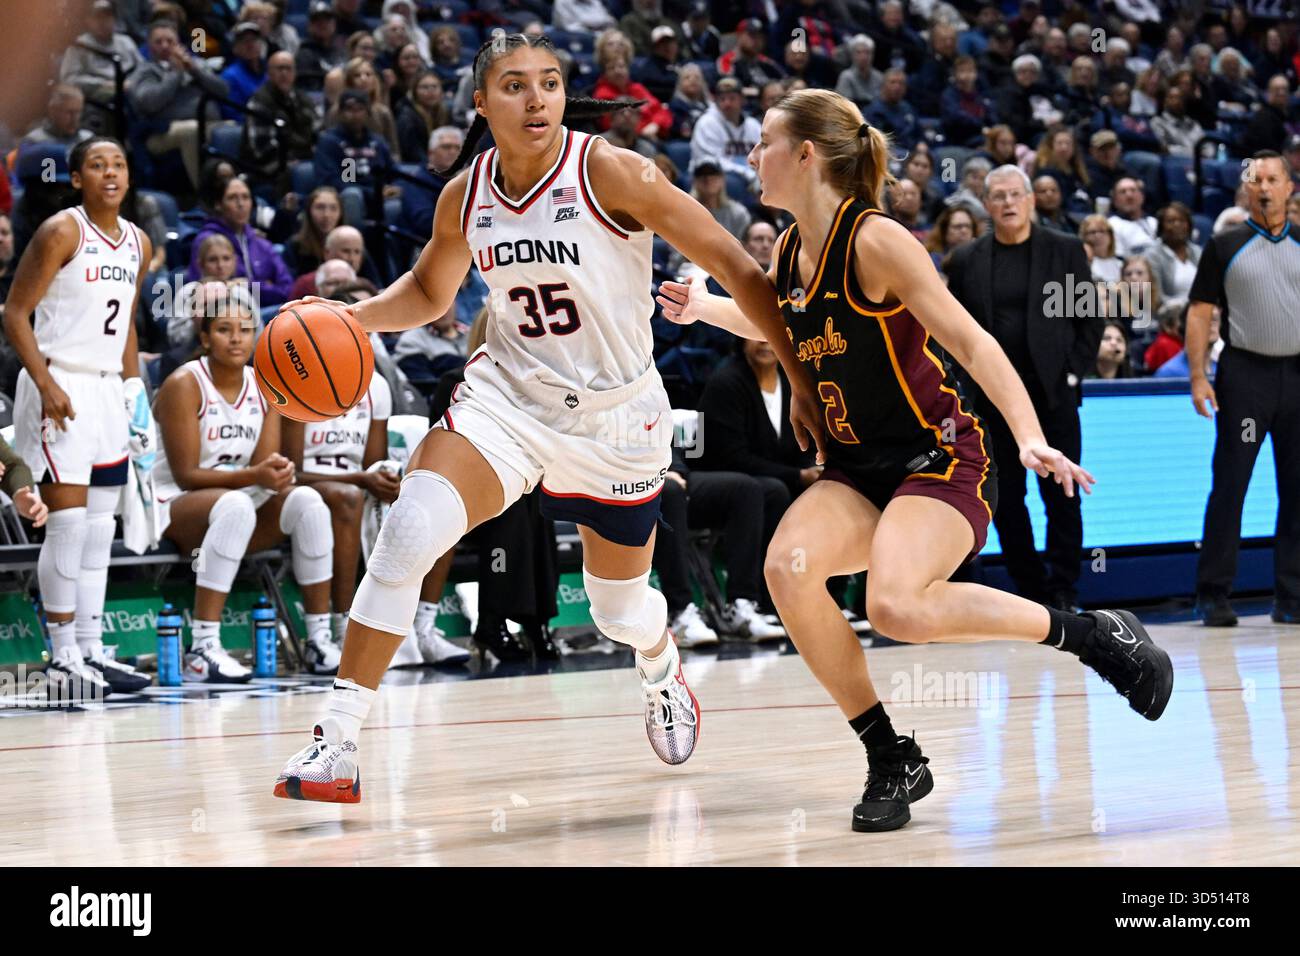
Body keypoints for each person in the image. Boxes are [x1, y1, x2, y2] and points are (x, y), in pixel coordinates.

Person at [271, 34, 826, 801]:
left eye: (551, 82)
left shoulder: (612, 171)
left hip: (615, 419)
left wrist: (798, 374)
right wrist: (350, 317)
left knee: (617, 610)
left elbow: (737, 265)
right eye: (514, 85)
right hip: (508, 400)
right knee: (409, 529)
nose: (536, 98)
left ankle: (660, 665)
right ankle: (336, 742)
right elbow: (430, 292)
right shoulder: (465, 196)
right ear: (481, 102)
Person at [659, 92, 1172, 833]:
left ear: (806, 154)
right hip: (858, 468)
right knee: (788, 570)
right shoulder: (790, 250)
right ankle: (890, 753)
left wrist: (1027, 434)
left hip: (941, 457)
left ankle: (1092, 633)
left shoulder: (876, 241)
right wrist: (704, 308)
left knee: (894, 607)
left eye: (764, 141)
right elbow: (780, 324)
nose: (751, 155)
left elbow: (972, 342)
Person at [2, 137, 155, 698]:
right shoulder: (61, 231)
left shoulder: (139, 241)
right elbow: (14, 313)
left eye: (118, 164)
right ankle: (62, 658)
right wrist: (46, 384)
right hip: (60, 380)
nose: (110, 173)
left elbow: (127, 325)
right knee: (66, 527)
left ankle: (91, 649)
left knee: (98, 529)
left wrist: (135, 391)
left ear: (129, 177)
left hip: (108, 389)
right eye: (97, 165)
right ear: (76, 178)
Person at [152, 306, 342, 678]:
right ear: (205, 338)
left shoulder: (265, 385)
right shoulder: (184, 383)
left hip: (234, 501)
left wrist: (275, 473)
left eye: (244, 329)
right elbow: (186, 475)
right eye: (224, 329)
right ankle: (202, 647)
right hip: (172, 503)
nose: (236, 338)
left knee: (308, 503)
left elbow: (262, 466)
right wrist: (256, 475)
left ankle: (318, 640)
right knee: (236, 505)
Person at [947, 165, 1103, 613]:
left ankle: (1064, 588)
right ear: (986, 205)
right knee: (1006, 499)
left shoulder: (1064, 249)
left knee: (1062, 494)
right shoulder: (968, 259)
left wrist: (1072, 373)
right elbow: (953, 330)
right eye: (998, 196)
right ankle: (1031, 589)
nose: (1008, 203)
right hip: (992, 400)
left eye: (1016, 194)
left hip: (1052, 395)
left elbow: (1090, 321)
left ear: (1031, 200)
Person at [1187, 151, 1300, 628]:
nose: (1265, 187)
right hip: (1245, 376)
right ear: (1246, 191)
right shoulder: (1225, 244)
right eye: (1257, 181)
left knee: (1297, 491)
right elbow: (1199, 311)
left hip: (1297, 376)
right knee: (1231, 485)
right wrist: (1198, 376)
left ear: (1290, 187)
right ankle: (1213, 594)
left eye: (1273, 179)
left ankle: (1291, 597)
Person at [126, 19, 230, 190]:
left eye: (170, 41)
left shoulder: (195, 64)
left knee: (231, 130)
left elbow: (223, 91)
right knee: (192, 131)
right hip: (160, 132)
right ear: (149, 46)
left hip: (208, 123)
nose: (165, 46)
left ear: (178, 43)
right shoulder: (145, 70)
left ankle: (230, 188)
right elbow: (149, 104)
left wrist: (194, 70)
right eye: (158, 42)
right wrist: (176, 74)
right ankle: (204, 193)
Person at [185, 176, 294, 304]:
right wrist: (266, 285)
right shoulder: (206, 241)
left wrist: (247, 285)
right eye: (232, 198)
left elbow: (287, 290)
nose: (241, 204)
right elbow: (202, 292)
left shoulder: (261, 243)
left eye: (245, 197)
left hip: (271, 310)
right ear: (218, 204)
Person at [58, 0, 144, 135]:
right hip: (96, 99)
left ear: (114, 19)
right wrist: (103, 84)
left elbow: (143, 69)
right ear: (88, 20)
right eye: (97, 17)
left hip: (130, 90)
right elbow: (69, 80)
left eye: (107, 17)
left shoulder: (125, 42)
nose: (102, 22)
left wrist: (131, 82)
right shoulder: (79, 46)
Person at [1146, 201, 1201, 303]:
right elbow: (1157, 296)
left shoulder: (1198, 252)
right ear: (1161, 226)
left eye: (1182, 221)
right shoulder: (1152, 256)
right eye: (1171, 221)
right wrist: (1185, 305)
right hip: (1170, 310)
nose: (1177, 224)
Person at [1108, 176, 1157, 256]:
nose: (1129, 195)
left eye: (1133, 190)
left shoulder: (1153, 222)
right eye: (1123, 192)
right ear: (1115, 200)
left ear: (1142, 196)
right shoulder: (1111, 225)